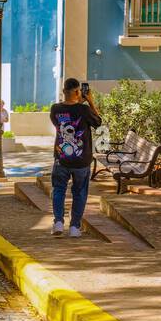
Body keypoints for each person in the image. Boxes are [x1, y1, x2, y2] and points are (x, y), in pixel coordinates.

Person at [49, 77, 102, 237]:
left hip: (61, 158)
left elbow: (57, 124)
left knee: (58, 190)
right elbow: (98, 122)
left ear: (64, 91)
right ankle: (74, 228)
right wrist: (90, 102)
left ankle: (58, 222)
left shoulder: (55, 109)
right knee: (79, 192)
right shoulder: (84, 110)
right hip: (81, 160)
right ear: (78, 92)